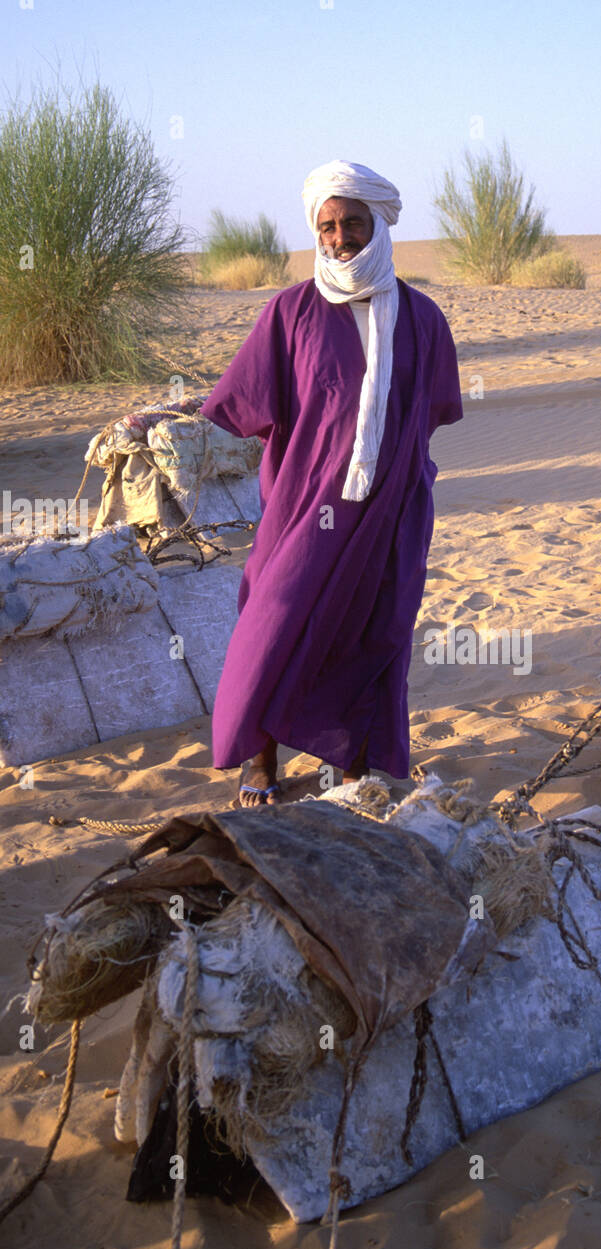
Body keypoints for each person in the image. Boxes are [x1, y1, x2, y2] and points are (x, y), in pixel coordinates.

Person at [198, 160, 463, 807]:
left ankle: (355, 767)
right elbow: (243, 401)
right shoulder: (290, 313)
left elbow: (429, 413)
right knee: (272, 620)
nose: (339, 238)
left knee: (375, 630)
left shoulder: (423, 319)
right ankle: (258, 758)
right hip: (302, 508)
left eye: (351, 224)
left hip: (389, 512)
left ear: (378, 224)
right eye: (327, 226)